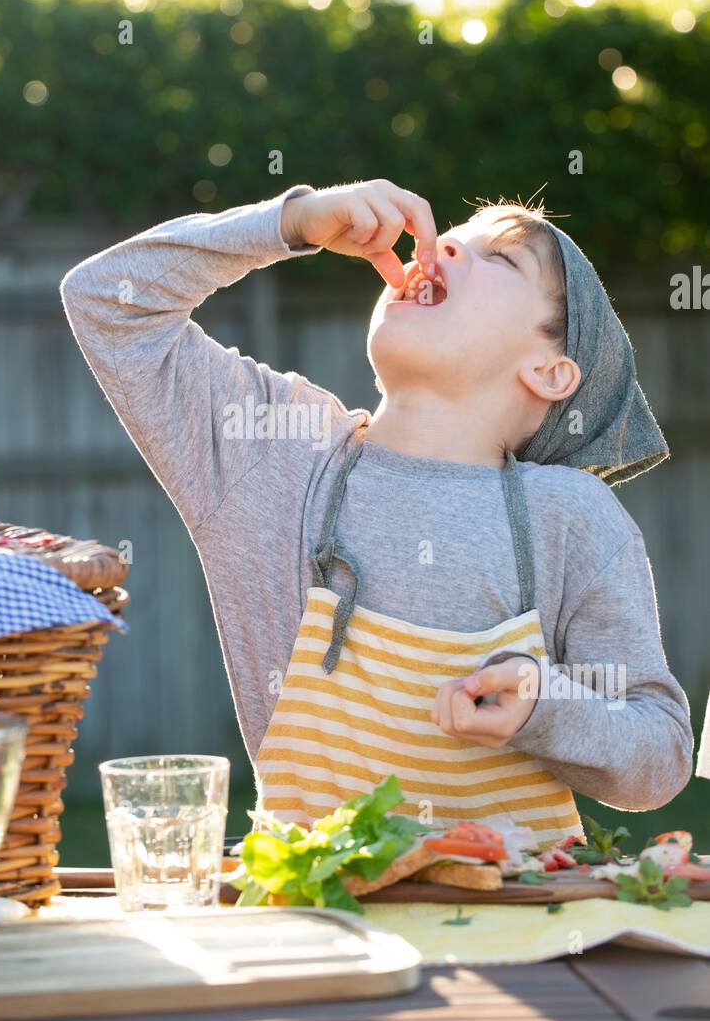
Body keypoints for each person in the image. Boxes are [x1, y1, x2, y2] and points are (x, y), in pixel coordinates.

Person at [61, 179, 693, 846]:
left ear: (549, 372)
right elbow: (106, 300)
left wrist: (545, 707)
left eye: (500, 259)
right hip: (315, 925)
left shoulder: (569, 515)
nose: (442, 245)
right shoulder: (274, 454)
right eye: (451, 237)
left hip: (516, 929)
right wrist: (292, 222)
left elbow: (658, 761)